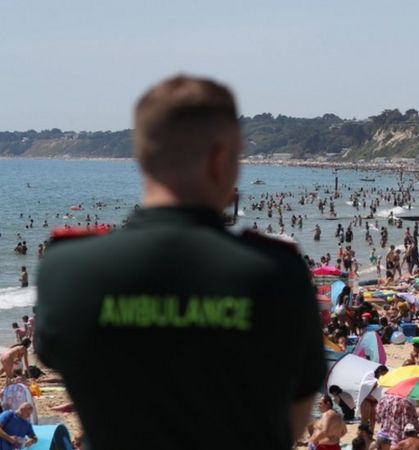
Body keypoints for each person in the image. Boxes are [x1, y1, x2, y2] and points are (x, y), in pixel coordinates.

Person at [35, 76, 325, 450]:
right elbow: (292, 421)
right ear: (220, 158)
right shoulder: (277, 272)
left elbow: (60, 361)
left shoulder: (68, 268)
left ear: (142, 157)